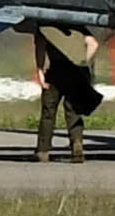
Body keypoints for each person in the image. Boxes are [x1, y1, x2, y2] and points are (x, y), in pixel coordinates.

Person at [30, 25, 100, 163]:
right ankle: (76, 144)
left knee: (48, 111)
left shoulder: (45, 27)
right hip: (76, 71)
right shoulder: (78, 26)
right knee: (73, 110)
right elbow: (93, 44)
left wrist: (39, 71)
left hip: (57, 70)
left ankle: (43, 150)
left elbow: (40, 48)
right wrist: (83, 62)